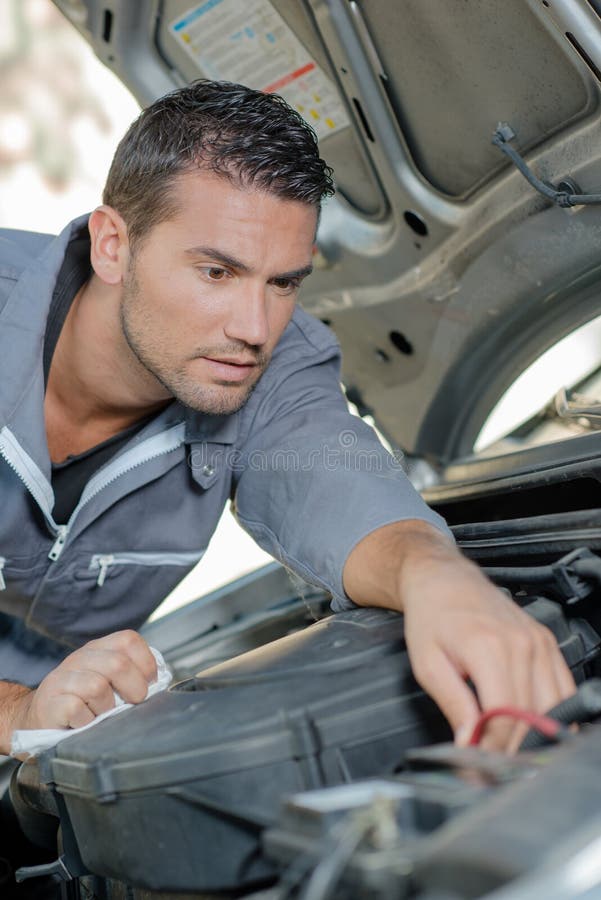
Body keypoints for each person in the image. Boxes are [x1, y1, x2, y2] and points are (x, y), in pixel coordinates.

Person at [0, 80, 574, 757]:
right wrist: (16, 711)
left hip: (57, 744)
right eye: (217, 272)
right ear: (113, 246)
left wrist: (436, 578)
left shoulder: (274, 366)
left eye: (283, 283)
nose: (254, 329)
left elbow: (338, 486)